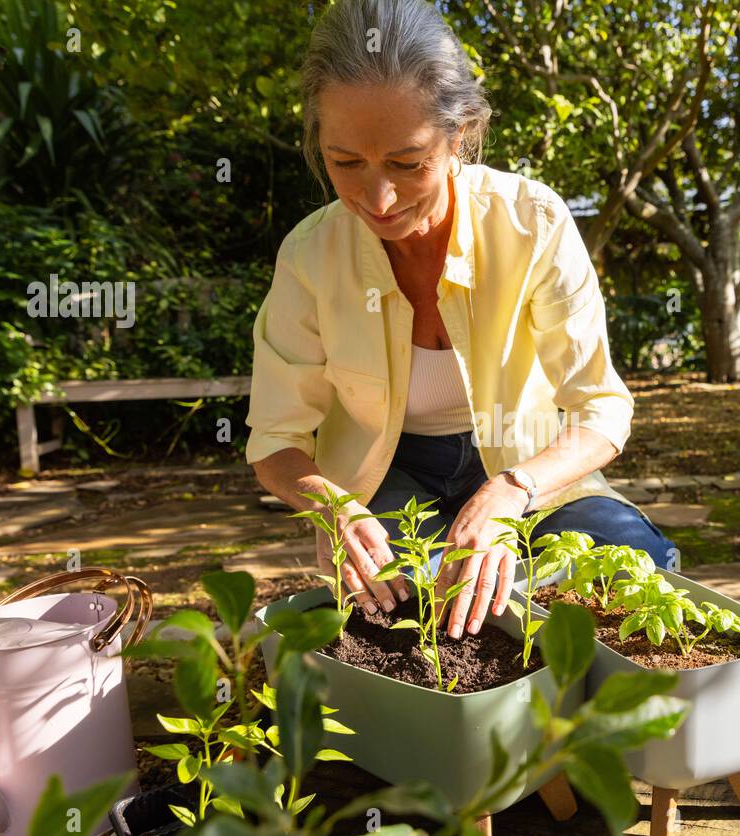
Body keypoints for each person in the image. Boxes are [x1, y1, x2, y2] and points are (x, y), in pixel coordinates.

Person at [247, 0, 674, 641]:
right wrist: (336, 509)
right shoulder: (311, 256)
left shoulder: (533, 222)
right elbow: (276, 442)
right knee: (402, 616)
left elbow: (600, 413)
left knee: (634, 570)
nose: (378, 199)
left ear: (460, 136)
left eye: (407, 162)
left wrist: (509, 492)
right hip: (385, 475)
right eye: (345, 163)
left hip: (523, 460)